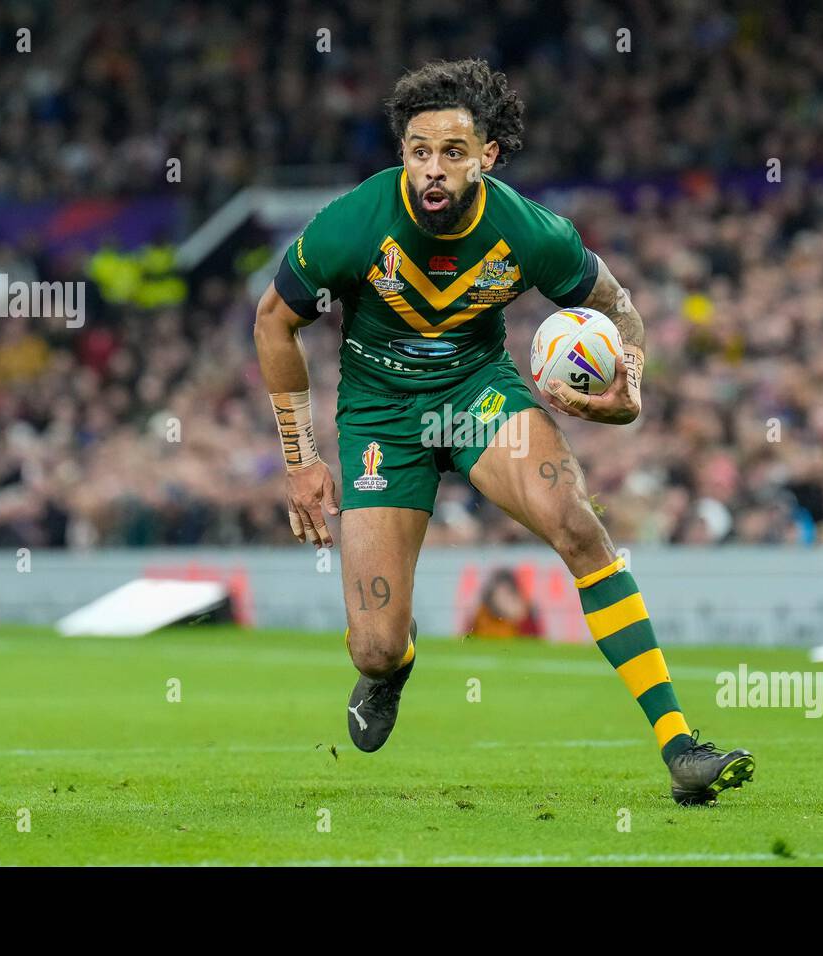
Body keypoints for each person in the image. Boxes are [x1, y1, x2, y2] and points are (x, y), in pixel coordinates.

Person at [253, 58, 754, 805]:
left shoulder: (530, 230)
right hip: (382, 417)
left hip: (477, 394)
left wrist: (631, 387)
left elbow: (620, 309)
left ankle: (680, 746)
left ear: (486, 157)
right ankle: (396, 663)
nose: (433, 168)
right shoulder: (354, 223)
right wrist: (301, 460)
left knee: (579, 527)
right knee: (373, 644)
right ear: (402, 155)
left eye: (453, 153)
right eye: (419, 150)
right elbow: (274, 319)